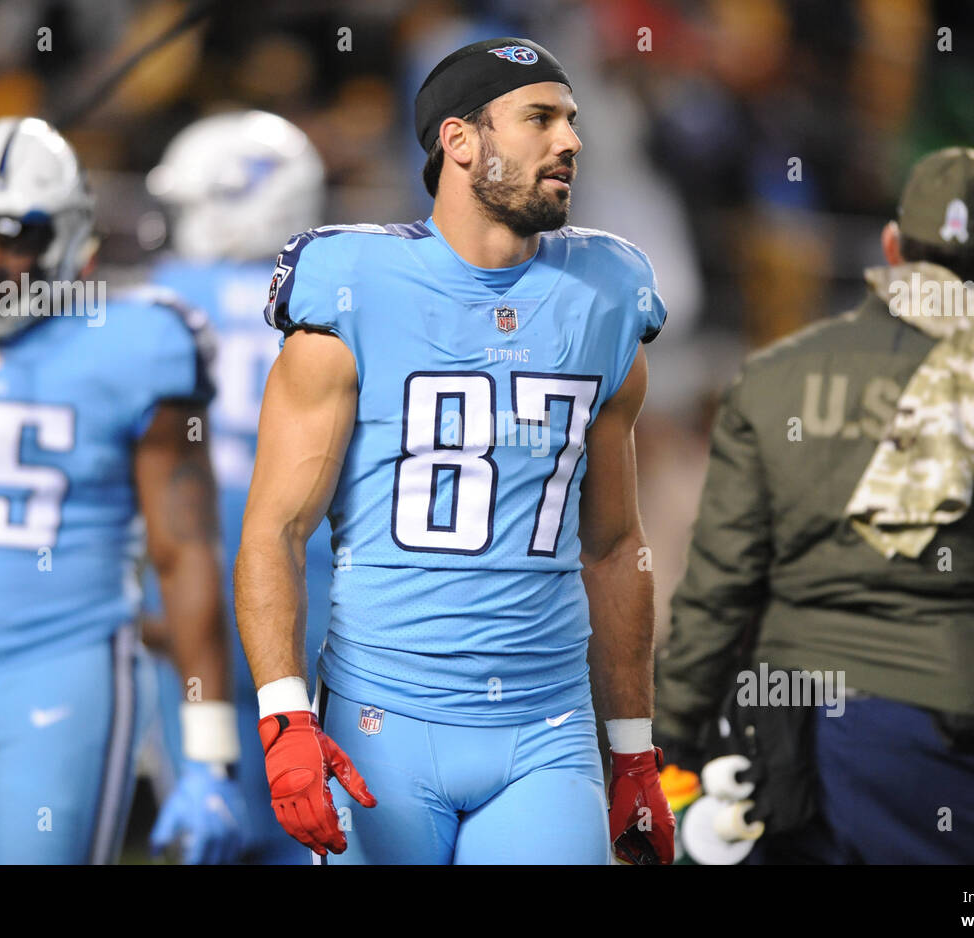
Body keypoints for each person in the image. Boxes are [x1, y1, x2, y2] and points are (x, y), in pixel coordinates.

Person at [235, 37, 676, 864]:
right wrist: (286, 713)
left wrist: (633, 747)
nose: (571, 141)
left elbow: (615, 546)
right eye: (540, 118)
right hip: (380, 725)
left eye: (571, 120)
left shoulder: (607, 293)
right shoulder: (353, 285)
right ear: (460, 140)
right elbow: (276, 530)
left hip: (547, 730)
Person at [655, 147, 974, 864]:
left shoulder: (772, 378)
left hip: (784, 734)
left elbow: (716, 588)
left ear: (892, 247)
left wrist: (673, 737)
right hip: (946, 731)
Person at [0, 117, 245, 864]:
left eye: (15, 235)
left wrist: (208, 756)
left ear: (65, 237)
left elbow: (183, 553)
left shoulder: (138, 340)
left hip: (63, 684)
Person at [142, 110, 334, 864]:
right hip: (313, 570)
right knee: (318, 810)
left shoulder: (161, 298)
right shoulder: (336, 294)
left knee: (212, 808)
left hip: (189, 563)